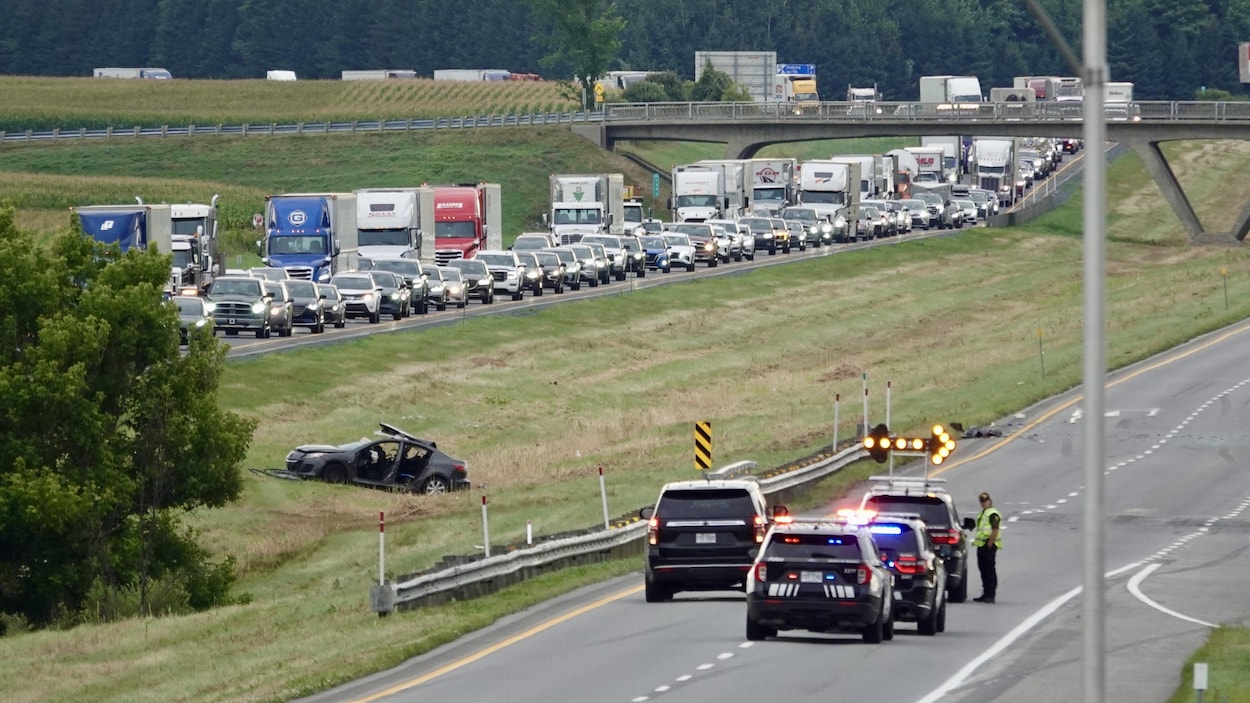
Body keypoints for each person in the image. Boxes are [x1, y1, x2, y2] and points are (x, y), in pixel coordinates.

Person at [973, 492, 1002, 603]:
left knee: (989, 571)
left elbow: (995, 530)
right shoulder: (983, 513)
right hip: (981, 545)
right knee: (983, 570)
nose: (983, 503)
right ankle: (985, 594)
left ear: (990, 501)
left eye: (985, 501)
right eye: (982, 501)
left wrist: (989, 544)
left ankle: (991, 595)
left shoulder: (993, 514)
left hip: (989, 545)